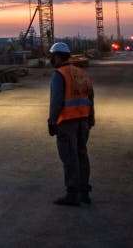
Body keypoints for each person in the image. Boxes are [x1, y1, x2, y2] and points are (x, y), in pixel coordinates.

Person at [47, 42, 95, 206]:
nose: (51, 60)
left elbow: (56, 100)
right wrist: (91, 118)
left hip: (67, 122)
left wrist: (52, 121)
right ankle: (84, 192)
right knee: (82, 155)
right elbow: (90, 97)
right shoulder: (82, 73)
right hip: (83, 121)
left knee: (69, 157)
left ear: (58, 57)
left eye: (52, 57)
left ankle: (72, 194)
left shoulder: (59, 74)